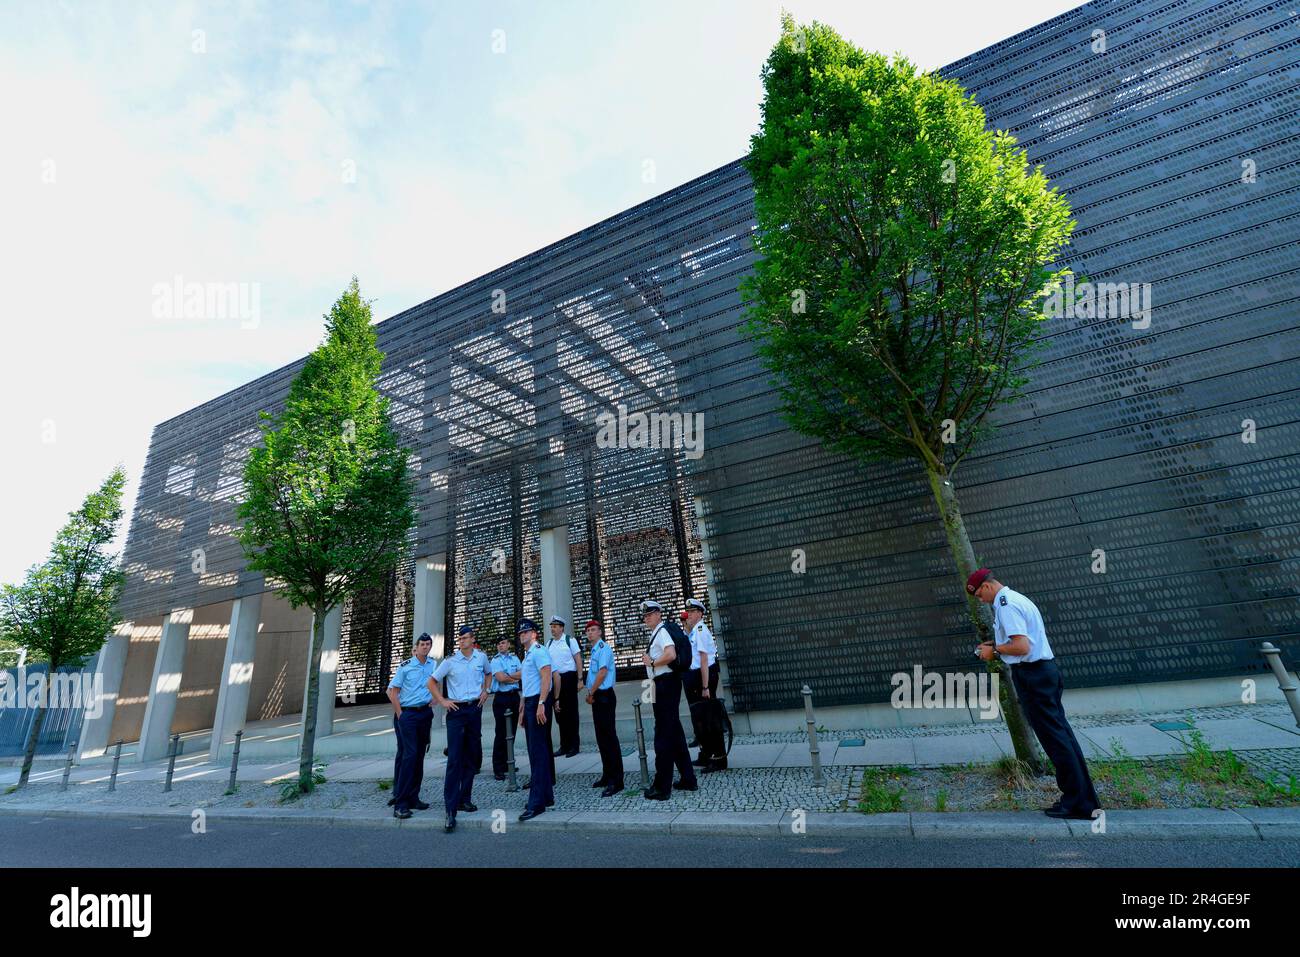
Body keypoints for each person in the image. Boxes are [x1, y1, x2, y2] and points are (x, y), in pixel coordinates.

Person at [969, 568, 1101, 820]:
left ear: (986, 587)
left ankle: (1077, 804)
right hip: (1043, 673)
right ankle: (1082, 800)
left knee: (1056, 741)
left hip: (1033, 675)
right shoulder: (1016, 599)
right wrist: (996, 646)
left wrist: (994, 651)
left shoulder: (1005, 605)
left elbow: (1021, 646)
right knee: (1063, 737)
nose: (980, 600)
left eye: (978, 595)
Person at [427, 625, 490, 833]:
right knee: (454, 760)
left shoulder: (481, 658)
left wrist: (485, 690)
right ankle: (450, 809)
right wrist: (442, 701)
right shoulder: (450, 661)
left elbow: (489, 674)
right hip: (456, 712)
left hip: (474, 710)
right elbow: (432, 682)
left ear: (473, 639)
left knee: (471, 757)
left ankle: (465, 799)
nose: (462, 641)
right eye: (460, 638)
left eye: (465, 638)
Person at [639, 599, 697, 800]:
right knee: (675, 733)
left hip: (665, 683)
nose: (647, 618)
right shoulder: (658, 632)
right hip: (661, 684)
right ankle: (688, 779)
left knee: (662, 735)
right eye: (645, 616)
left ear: (658, 614)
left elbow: (671, 654)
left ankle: (662, 788)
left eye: (650, 614)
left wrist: (652, 662)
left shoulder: (662, 632)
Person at [385, 633, 436, 819]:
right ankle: (401, 803)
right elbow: (393, 692)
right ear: (417, 646)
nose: (425, 647)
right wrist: (401, 715)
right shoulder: (406, 666)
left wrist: (434, 699)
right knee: (409, 756)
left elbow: (434, 684)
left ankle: (414, 797)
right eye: (422, 644)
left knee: (420, 755)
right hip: (408, 714)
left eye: (428, 644)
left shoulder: (432, 664)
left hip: (424, 713)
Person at [516, 619, 555, 821]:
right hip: (531, 702)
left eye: (526, 631)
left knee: (538, 752)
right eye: (521, 632)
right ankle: (546, 796)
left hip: (538, 702)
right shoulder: (529, 654)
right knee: (536, 751)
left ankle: (537, 802)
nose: (522, 634)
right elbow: (529, 681)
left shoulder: (538, 651)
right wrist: (523, 707)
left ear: (534, 634)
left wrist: (541, 703)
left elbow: (546, 676)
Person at [683, 598, 726, 773]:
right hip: (697, 677)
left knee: (709, 720)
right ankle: (707, 753)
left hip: (704, 677)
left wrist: (706, 687)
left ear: (700, 614)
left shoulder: (700, 630)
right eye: (689, 612)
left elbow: (703, 659)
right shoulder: (694, 632)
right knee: (700, 720)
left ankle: (718, 758)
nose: (690, 615)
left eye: (693, 612)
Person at [583, 618, 623, 796]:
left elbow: (602, 672)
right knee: (601, 738)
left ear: (600, 632)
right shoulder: (594, 650)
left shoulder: (603, 648)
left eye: (593, 630)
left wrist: (591, 692)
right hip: (598, 696)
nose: (590, 632)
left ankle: (617, 780)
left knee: (609, 738)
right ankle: (607, 774)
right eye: (588, 630)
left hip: (604, 696)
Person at [547, 616, 583, 758]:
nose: (552, 629)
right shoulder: (549, 643)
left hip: (569, 678)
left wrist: (580, 679)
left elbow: (578, 659)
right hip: (555, 681)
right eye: (551, 626)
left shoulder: (569, 640)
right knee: (559, 713)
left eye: (555, 626)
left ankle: (574, 746)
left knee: (571, 713)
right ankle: (564, 745)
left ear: (562, 627)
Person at [489, 634, 522, 780]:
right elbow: (500, 678)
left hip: (514, 696)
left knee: (512, 732)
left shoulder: (515, 659)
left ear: (508, 644)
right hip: (501, 699)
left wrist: (508, 676)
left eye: (503, 643)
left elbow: (523, 674)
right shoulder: (495, 660)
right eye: (498, 644)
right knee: (502, 732)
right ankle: (498, 767)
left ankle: (508, 763)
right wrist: (512, 677)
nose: (500, 646)